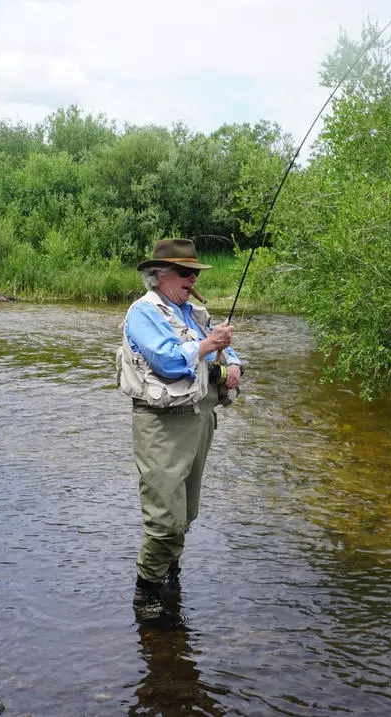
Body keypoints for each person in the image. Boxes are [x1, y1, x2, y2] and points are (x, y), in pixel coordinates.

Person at [117, 238, 243, 619]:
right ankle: (147, 592)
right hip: (162, 427)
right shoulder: (143, 313)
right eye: (185, 272)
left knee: (187, 512)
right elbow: (169, 363)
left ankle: (169, 568)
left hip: (200, 420)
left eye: (194, 272)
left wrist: (232, 365)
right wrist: (208, 347)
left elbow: (228, 357)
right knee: (165, 518)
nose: (192, 279)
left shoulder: (193, 312)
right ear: (160, 275)